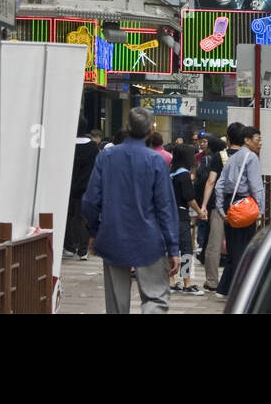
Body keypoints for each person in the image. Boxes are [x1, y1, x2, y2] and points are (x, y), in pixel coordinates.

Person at [82, 107, 180, 314]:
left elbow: (90, 200)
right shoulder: (155, 161)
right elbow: (165, 208)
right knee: (156, 298)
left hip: (112, 236)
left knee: (116, 305)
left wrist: (94, 231)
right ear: (150, 133)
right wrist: (173, 248)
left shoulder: (106, 157)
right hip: (149, 240)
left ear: (126, 128)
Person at [215, 124, 265, 298]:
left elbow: (219, 185)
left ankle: (224, 289)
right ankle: (240, 289)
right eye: (258, 140)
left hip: (231, 206)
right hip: (244, 206)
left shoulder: (233, 158)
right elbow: (256, 186)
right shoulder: (251, 158)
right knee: (243, 248)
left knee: (233, 246)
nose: (260, 144)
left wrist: (222, 209)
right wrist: (260, 210)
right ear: (247, 140)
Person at [169, 144, 203, 295]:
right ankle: (187, 283)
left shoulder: (171, 173)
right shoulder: (184, 175)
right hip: (181, 215)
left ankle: (171, 281)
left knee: (173, 248)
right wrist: (200, 211)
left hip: (169, 214)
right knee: (187, 249)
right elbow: (189, 198)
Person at [65, 116, 99, 261]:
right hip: (86, 188)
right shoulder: (92, 147)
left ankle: (69, 246)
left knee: (68, 216)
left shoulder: (66, 145)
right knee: (84, 217)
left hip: (68, 187)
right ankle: (83, 249)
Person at [197, 135, 228, 292]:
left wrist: (202, 204)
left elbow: (209, 181)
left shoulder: (214, 158)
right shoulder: (246, 155)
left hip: (217, 204)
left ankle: (212, 281)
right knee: (238, 244)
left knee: (214, 244)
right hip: (241, 206)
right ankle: (236, 280)